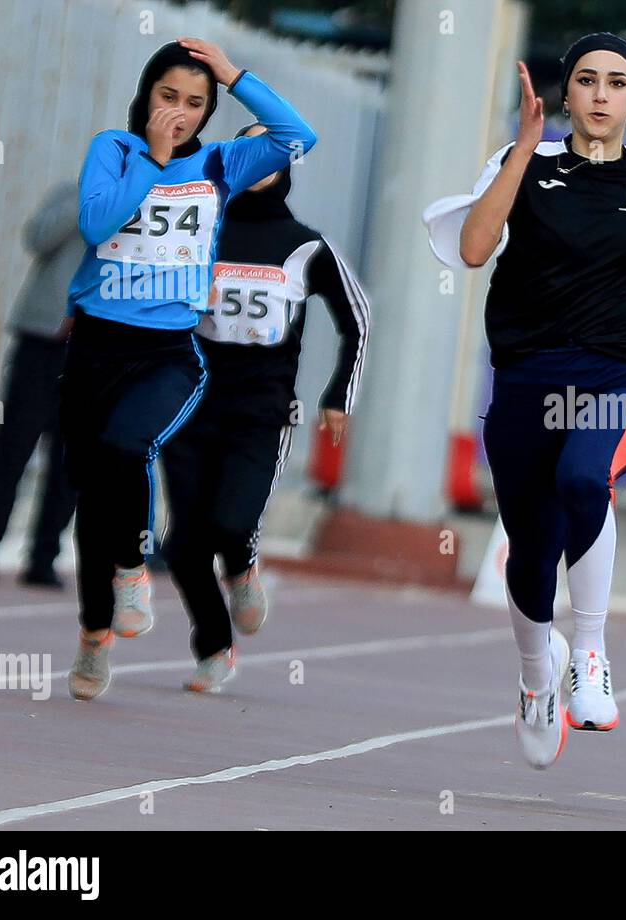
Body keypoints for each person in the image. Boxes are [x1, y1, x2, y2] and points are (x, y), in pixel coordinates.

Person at [424, 33, 626, 769]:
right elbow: (471, 248)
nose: (599, 94)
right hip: (528, 380)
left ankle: (590, 653)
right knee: (529, 552)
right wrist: (522, 151)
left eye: (615, 83)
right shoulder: (522, 164)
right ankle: (536, 678)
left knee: (587, 478)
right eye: (585, 81)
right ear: (566, 96)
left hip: (621, 377)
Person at [61, 39, 316, 701]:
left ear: (209, 113)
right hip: (93, 349)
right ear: (148, 94)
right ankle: (94, 636)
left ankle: (132, 567)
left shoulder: (221, 162)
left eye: (195, 103)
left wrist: (236, 77)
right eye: (168, 96)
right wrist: (153, 155)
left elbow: (297, 134)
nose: (179, 111)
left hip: (166, 353)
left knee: (130, 445)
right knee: (92, 501)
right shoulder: (114, 150)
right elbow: (97, 223)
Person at [161, 122, 369, 693]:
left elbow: (357, 320)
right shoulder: (199, 229)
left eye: (272, 151)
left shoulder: (306, 245)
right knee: (181, 543)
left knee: (229, 523)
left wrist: (337, 396)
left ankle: (244, 564)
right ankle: (215, 647)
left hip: (261, 412)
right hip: (187, 406)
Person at [0, 182, 83, 587]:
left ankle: (43, 558)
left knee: (70, 463)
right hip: (41, 338)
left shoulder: (149, 206)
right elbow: (37, 238)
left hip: (95, 349)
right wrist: (89, 195)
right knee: (12, 449)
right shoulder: (73, 192)